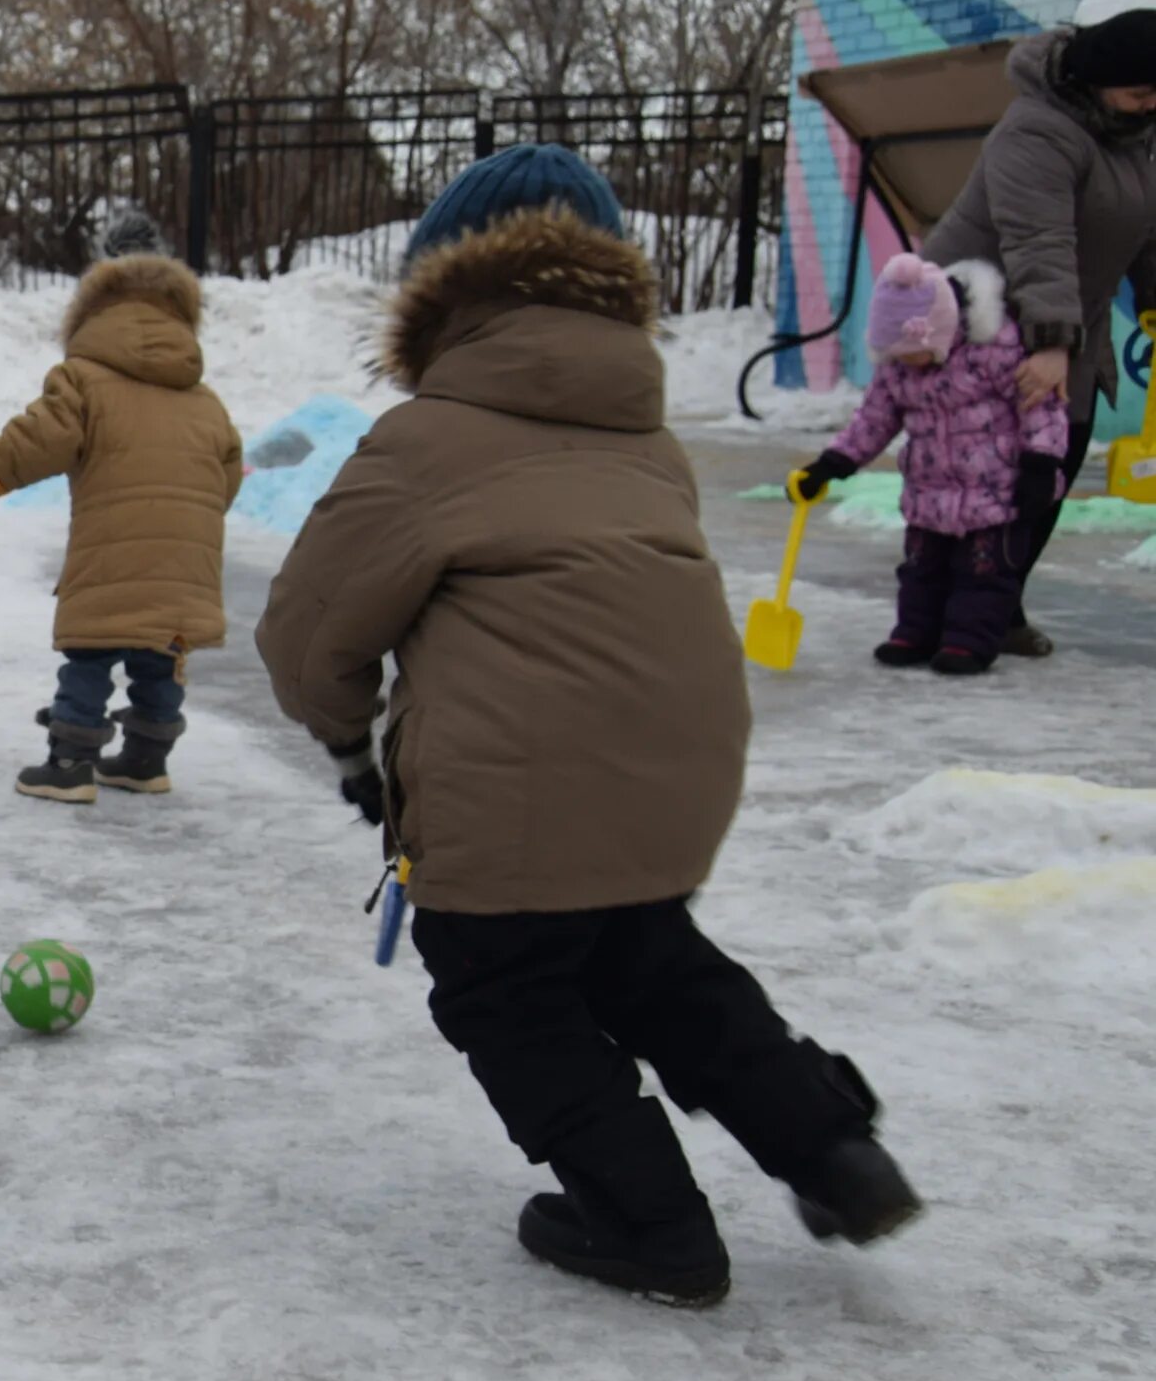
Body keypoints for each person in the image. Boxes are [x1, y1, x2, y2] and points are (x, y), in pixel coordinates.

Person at [257, 144, 920, 1308]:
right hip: (681, 777)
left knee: (504, 989)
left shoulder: (424, 443)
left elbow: (307, 642)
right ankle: (834, 1151)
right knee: (648, 960)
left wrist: (354, 752)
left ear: (439, 293)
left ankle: (650, 1223)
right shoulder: (649, 439)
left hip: (521, 795)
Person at [0, 252, 243, 803]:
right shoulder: (206, 402)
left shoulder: (83, 380)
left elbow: (38, 441)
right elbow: (226, 479)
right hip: (184, 562)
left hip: (111, 553)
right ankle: (146, 761)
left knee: (92, 651)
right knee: (161, 656)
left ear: (94, 316)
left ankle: (70, 763)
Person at [919, 8, 1156, 655]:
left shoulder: (1135, 133)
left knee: (1056, 465)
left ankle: (996, 605)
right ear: (1099, 81)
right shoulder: (1036, 131)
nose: (1151, 104)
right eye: (1141, 91)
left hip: (1066, 319)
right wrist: (1050, 345)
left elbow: (1148, 230)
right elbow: (1039, 242)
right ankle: (952, 614)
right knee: (997, 475)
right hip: (983, 324)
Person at [793, 254, 1071, 675]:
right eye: (895, 353)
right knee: (920, 571)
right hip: (929, 494)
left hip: (995, 492)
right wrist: (831, 464)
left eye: (913, 352)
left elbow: (1040, 408)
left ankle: (968, 643)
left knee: (983, 574)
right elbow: (873, 420)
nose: (905, 362)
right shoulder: (896, 368)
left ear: (941, 332)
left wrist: (1041, 464)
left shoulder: (995, 350)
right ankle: (915, 633)